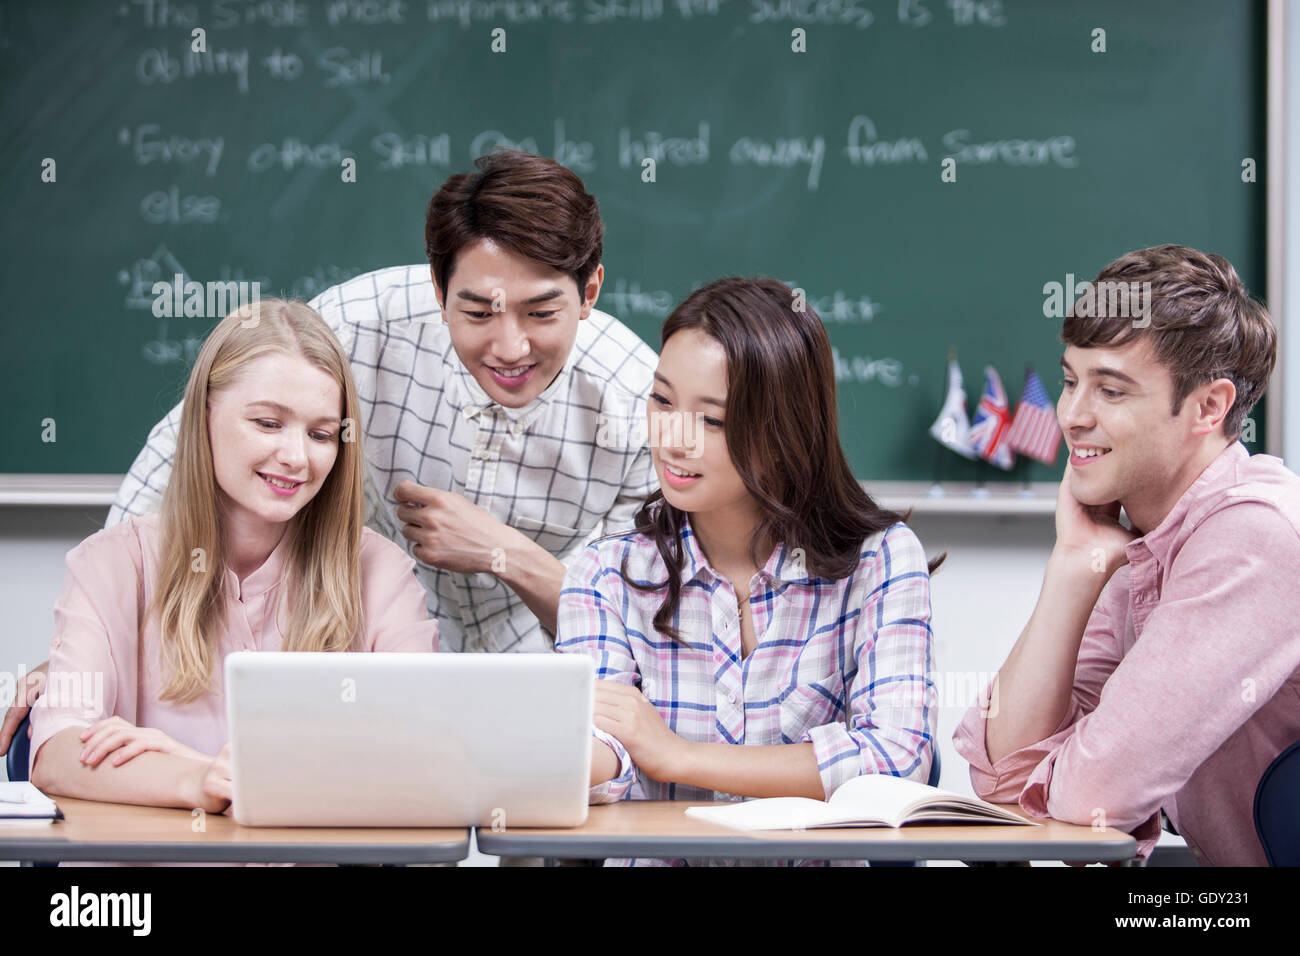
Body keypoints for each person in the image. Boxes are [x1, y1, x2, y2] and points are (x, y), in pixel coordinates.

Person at [1, 148, 657, 752]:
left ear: (590, 291)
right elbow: (182, 459)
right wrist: (90, 651)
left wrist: (506, 554)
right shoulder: (358, 322)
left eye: (541, 314)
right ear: (438, 291)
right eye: (479, 313)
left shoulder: (637, 403)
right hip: (358, 651)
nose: (510, 347)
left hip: (544, 665)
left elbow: (637, 630)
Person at [556, 277, 942, 866]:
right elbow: (600, 747)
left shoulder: (880, 560)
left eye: (712, 421)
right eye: (662, 401)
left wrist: (677, 755)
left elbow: (896, 758)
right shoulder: (604, 572)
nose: (673, 438)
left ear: (785, 431)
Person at [952, 244, 1300, 866]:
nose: (1071, 416)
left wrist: (1063, 774)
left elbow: (1094, 797)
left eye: (1110, 391)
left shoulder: (1254, 534)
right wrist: (1072, 565)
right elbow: (1000, 778)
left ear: (1209, 407)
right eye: (1069, 380)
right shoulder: (1143, 544)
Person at [29, 299, 437, 816]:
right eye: (268, 423)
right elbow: (58, 753)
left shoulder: (380, 571)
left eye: (320, 435)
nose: (296, 456)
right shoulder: (109, 564)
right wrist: (198, 778)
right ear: (205, 418)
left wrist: (230, 771)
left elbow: (422, 753)